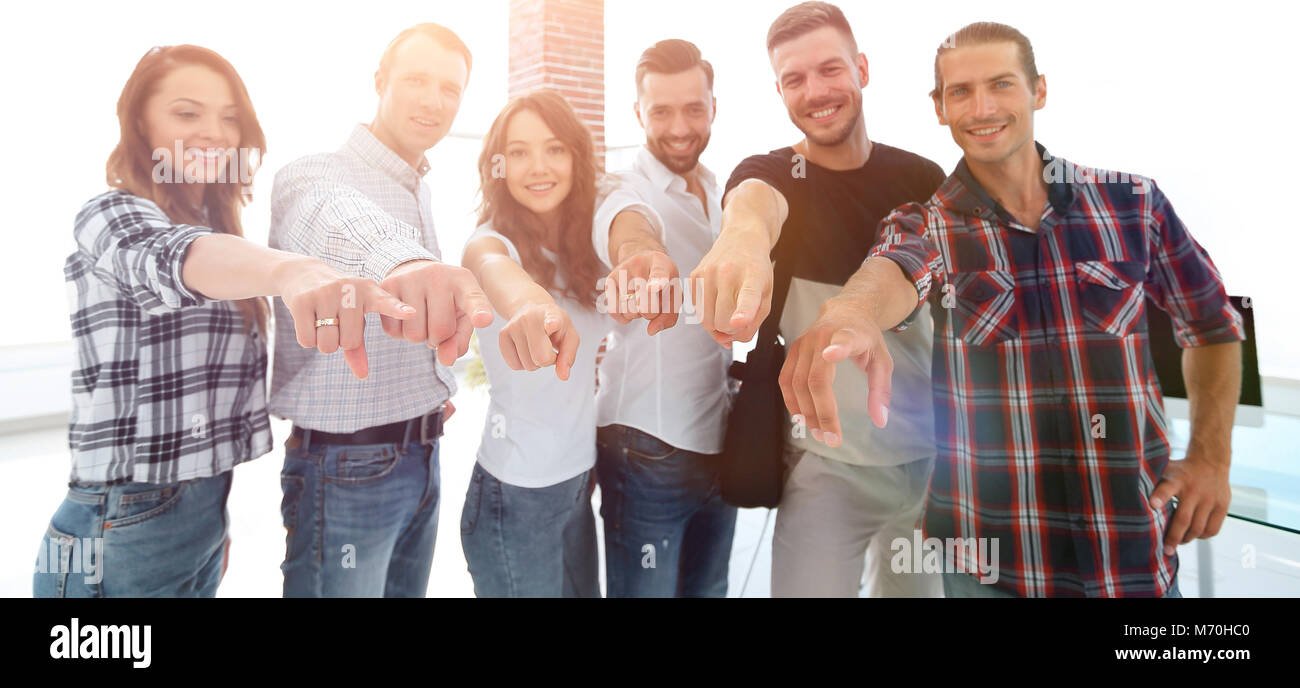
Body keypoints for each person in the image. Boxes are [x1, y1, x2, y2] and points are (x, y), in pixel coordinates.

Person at [795, 22, 1243, 597]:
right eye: (960, 91)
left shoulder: (1134, 204)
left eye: (1001, 84)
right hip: (991, 571)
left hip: (1131, 560)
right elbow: (892, 270)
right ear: (939, 108)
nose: (982, 107)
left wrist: (1211, 457)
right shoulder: (926, 222)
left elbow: (1211, 325)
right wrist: (851, 313)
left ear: (1039, 91)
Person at [35, 44, 416, 598]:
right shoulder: (110, 214)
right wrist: (293, 270)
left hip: (194, 516)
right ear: (140, 121)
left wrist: (205, 530)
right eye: (187, 113)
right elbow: (168, 257)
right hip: (119, 520)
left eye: (229, 117)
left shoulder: (226, 238)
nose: (214, 131)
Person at [691, 1, 945, 597]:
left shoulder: (923, 179)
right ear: (778, 91)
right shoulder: (773, 172)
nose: (815, 91)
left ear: (861, 67)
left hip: (932, 466)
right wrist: (744, 239)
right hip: (826, 469)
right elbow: (752, 206)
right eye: (793, 79)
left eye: (830, 69)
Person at [270, 23, 494, 598]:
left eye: (451, 89)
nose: (434, 100)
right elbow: (338, 216)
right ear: (379, 81)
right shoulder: (315, 174)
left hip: (420, 454)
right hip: (347, 469)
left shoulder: (418, 186)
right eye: (417, 80)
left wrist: (429, 388)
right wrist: (403, 262)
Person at [460, 88, 672, 597]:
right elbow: (492, 267)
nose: (538, 167)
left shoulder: (584, 246)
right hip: (514, 494)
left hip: (577, 481)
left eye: (554, 148)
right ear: (498, 165)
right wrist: (533, 303)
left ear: (576, 156)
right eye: (518, 151)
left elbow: (623, 211)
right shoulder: (489, 239)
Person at [591, 39, 736, 597]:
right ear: (638, 114)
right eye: (661, 111)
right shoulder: (623, 187)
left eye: (693, 109)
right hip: (646, 447)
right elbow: (628, 224)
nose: (679, 127)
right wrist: (640, 255)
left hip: (718, 436)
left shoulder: (720, 191)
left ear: (713, 108)